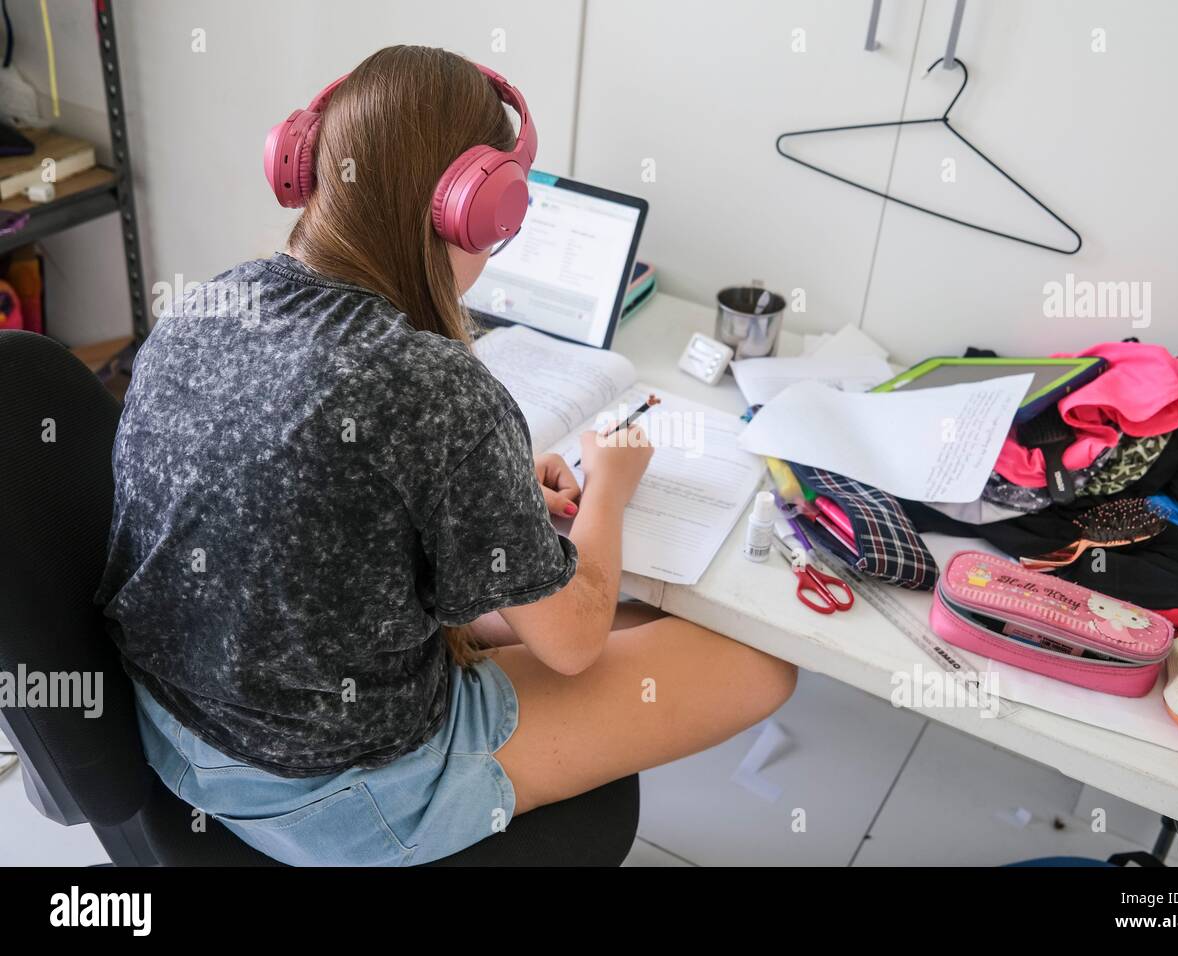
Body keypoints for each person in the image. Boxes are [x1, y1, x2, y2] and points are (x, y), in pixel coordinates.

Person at [96, 45, 795, 866]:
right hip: (332, 796)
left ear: (303, 165)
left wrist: (485, 502)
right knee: (756, 664)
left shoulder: (204, 303)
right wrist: (611, 487)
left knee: (629, 623)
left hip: (173, 733)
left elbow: (308, 516)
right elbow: (572, 643)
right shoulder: (435, 386)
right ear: (477, 212)